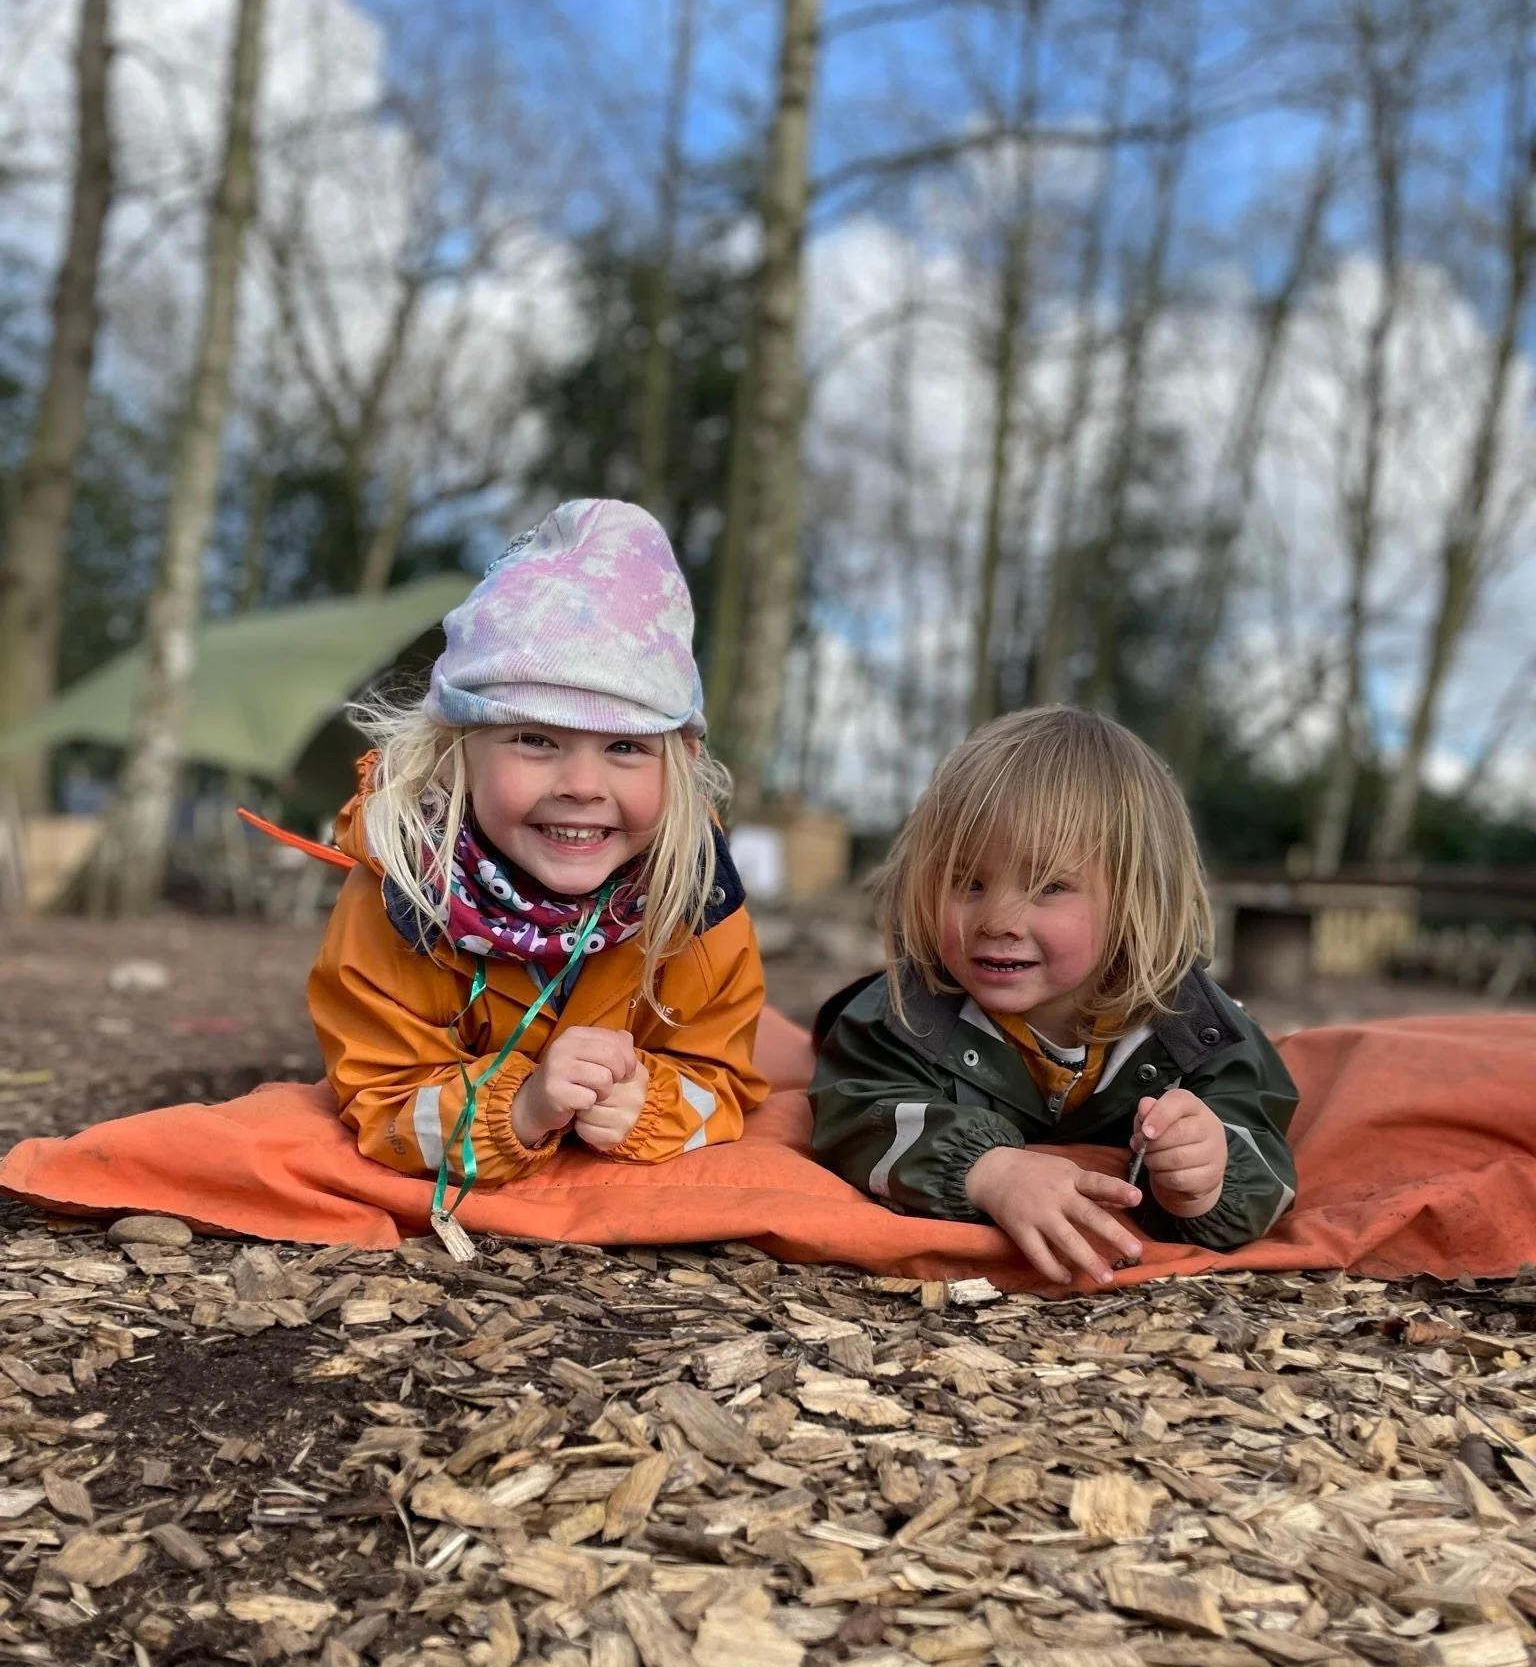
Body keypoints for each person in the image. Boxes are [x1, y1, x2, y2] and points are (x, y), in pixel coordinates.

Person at [308, 499, 768, 1254]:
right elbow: (380, 1097)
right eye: (535, 740)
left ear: (679, 763)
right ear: (458, 750)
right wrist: (516, 1105)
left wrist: (650, 1103)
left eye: (626, 747)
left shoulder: (699, 904)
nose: (582, 785)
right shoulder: (403, 898)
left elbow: (721, 1076)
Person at [809, 707, 1298, 1285]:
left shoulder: (1193, 1026)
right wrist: (984, 1170)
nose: (997, 919)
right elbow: (854, 1107)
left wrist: (1211, 1175)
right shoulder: (907, 1011)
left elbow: (1261, 1131)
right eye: (968, 882)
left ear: (1136, 898)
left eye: (1049, 886)